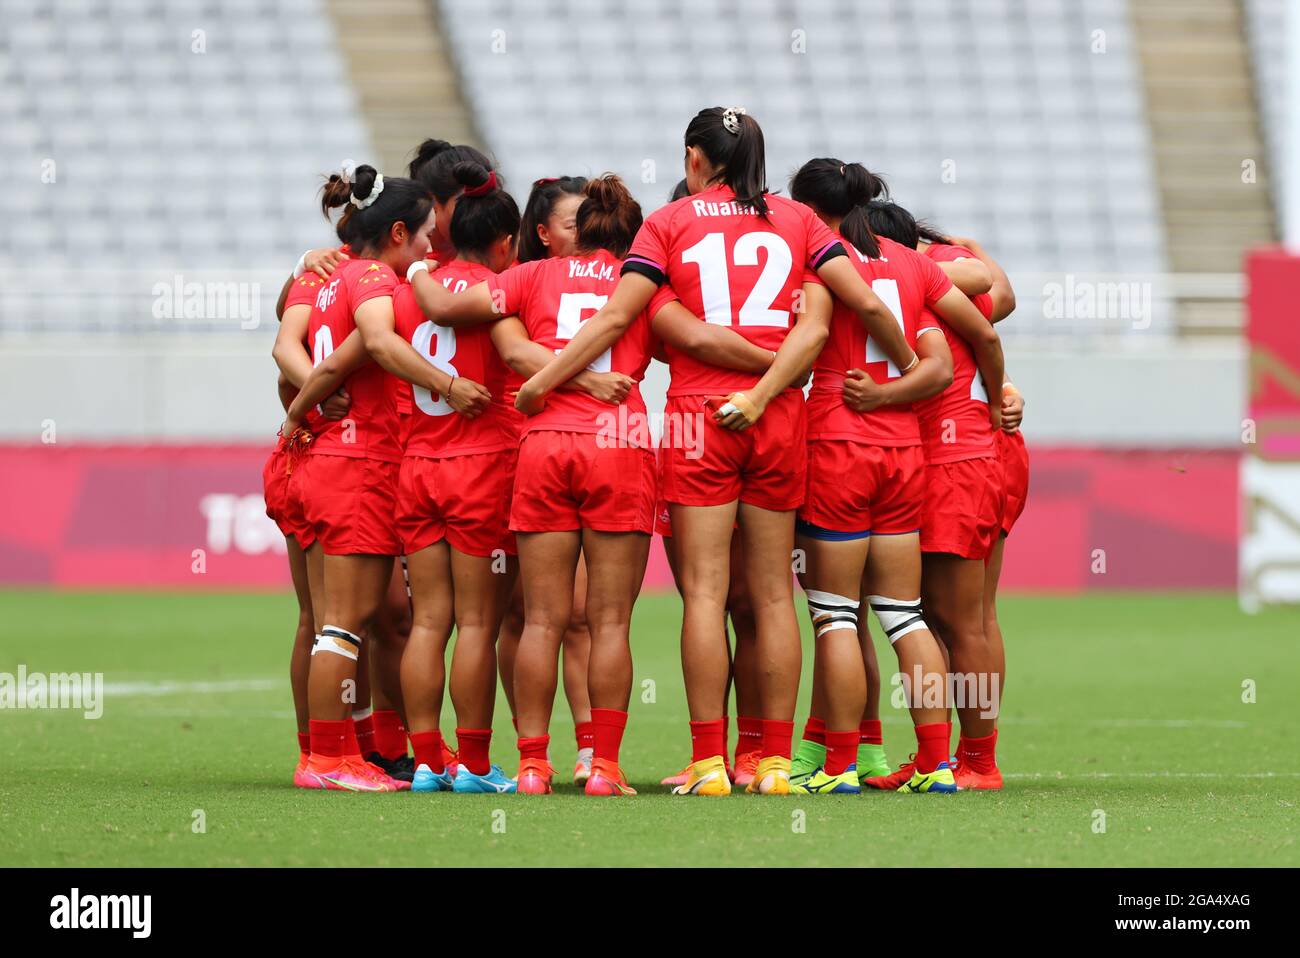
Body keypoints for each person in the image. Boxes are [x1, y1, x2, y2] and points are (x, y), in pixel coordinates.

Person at [514, 107, 919, 797]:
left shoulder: (669, 224)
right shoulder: (797, 222)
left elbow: (618, 315)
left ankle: (707, 764)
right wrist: (903, 367)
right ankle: (770, 764)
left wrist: (544, 380)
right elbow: (859, 310)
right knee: (771, 596)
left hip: (700, 416)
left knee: (702, 594)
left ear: (696, 158)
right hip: (779, 415)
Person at [413, 174, 664, 796]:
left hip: (544, 444)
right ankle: (602, 766)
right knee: (608, 624)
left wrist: (418, 268)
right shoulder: (646, 283)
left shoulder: (526, 277)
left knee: (542, 621)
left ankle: (531, 765)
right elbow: (692, 335)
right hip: (618, 442)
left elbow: (449, 309)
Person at [280, 165, 456, 792]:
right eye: (426, 237)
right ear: (399, 232)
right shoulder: (375, 276)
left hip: (319, 458)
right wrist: (449, 385)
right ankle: (329, 762)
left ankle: (327, 753)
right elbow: (379, 344)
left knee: (325, 618)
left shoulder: (322, 276)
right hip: (358, 466)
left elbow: (293, 348)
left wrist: (308, 395)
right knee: (343, 623)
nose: (432, 249)